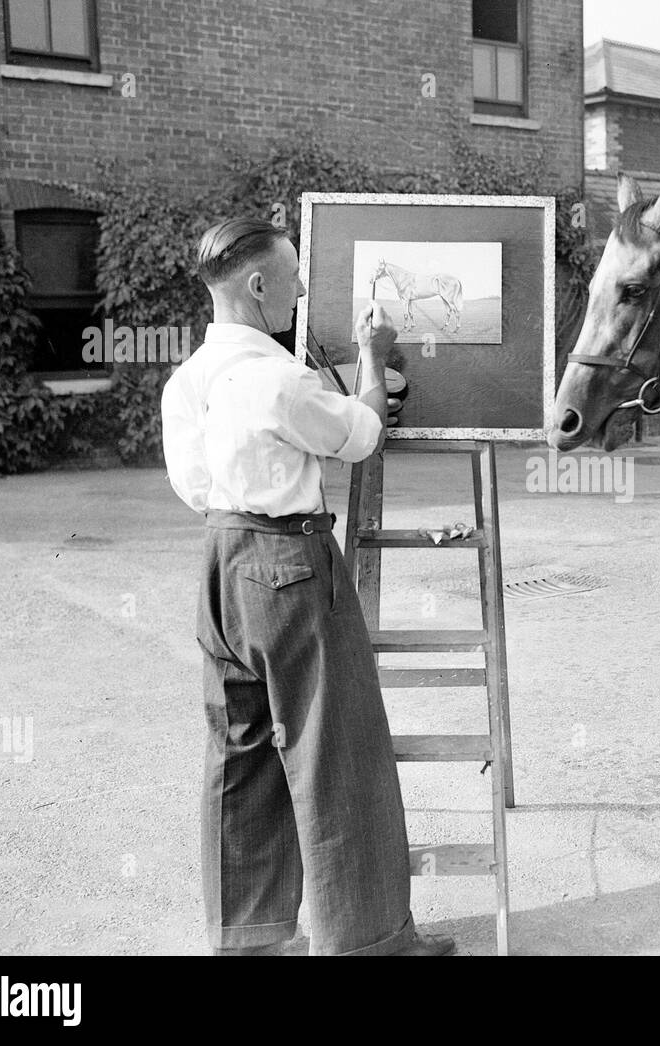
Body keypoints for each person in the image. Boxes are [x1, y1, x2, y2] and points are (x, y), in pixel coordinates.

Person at [161, 216, 454, 955]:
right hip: (289, 565)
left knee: (239, 750)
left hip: (221, 561)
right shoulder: (278, 378)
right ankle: (370, 942)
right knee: (337, 750)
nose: (300, 293)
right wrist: (372, 355)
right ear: (258, 285)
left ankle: (250, 938)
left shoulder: (187, 380)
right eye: (293, 279)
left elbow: (193, 486)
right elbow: (361, 435)